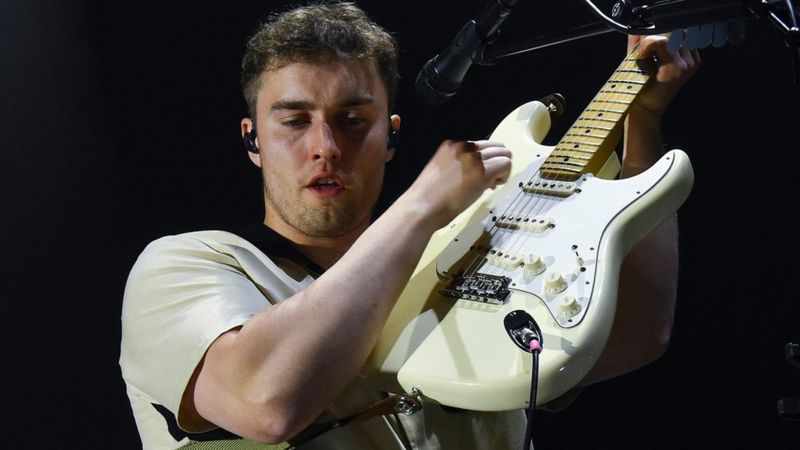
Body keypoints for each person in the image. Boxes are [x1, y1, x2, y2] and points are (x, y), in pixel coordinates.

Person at [119, 2, 700, 449]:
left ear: (390, 134)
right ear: (253, 142)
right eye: (294, 121)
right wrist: (422, 206)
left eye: (353, 121)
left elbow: (635, 336)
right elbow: (266, 403)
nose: (325, 147)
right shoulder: (184, 265)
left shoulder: (462, 266)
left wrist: (643, 123)